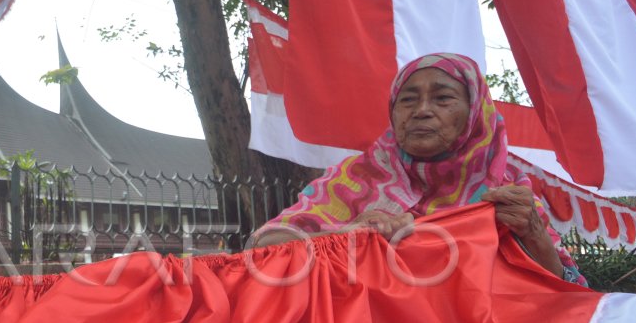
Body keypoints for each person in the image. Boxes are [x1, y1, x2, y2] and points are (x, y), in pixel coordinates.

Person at [250, 52, 585, 285]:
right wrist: (342, 236)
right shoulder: (356, 177)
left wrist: (534, 236)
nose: (422, 110)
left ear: (473, 112)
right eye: (408, 99)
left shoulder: (508, 191)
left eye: (443, 98)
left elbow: (569, 290)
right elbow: (261, 248)